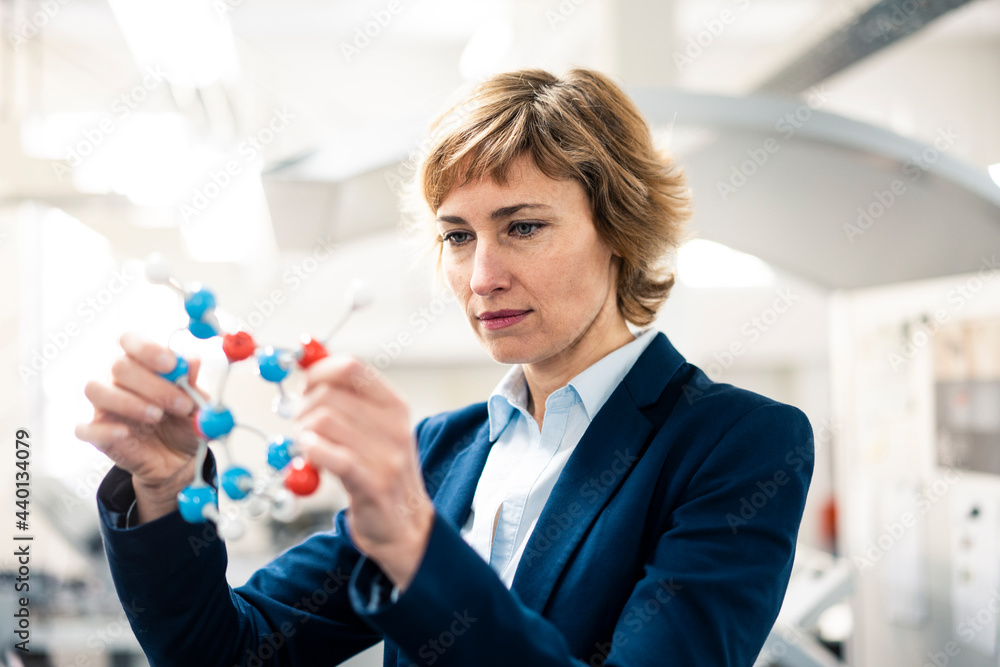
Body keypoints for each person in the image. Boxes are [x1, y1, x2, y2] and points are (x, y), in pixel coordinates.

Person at [76, 67, 814, 666]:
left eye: (522, 226)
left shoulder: (736, 444)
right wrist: (166, 490)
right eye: (458, 236)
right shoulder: (441, 451)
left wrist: (414, 545)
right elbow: (226, 652)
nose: (482, 275)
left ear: (618, 230)